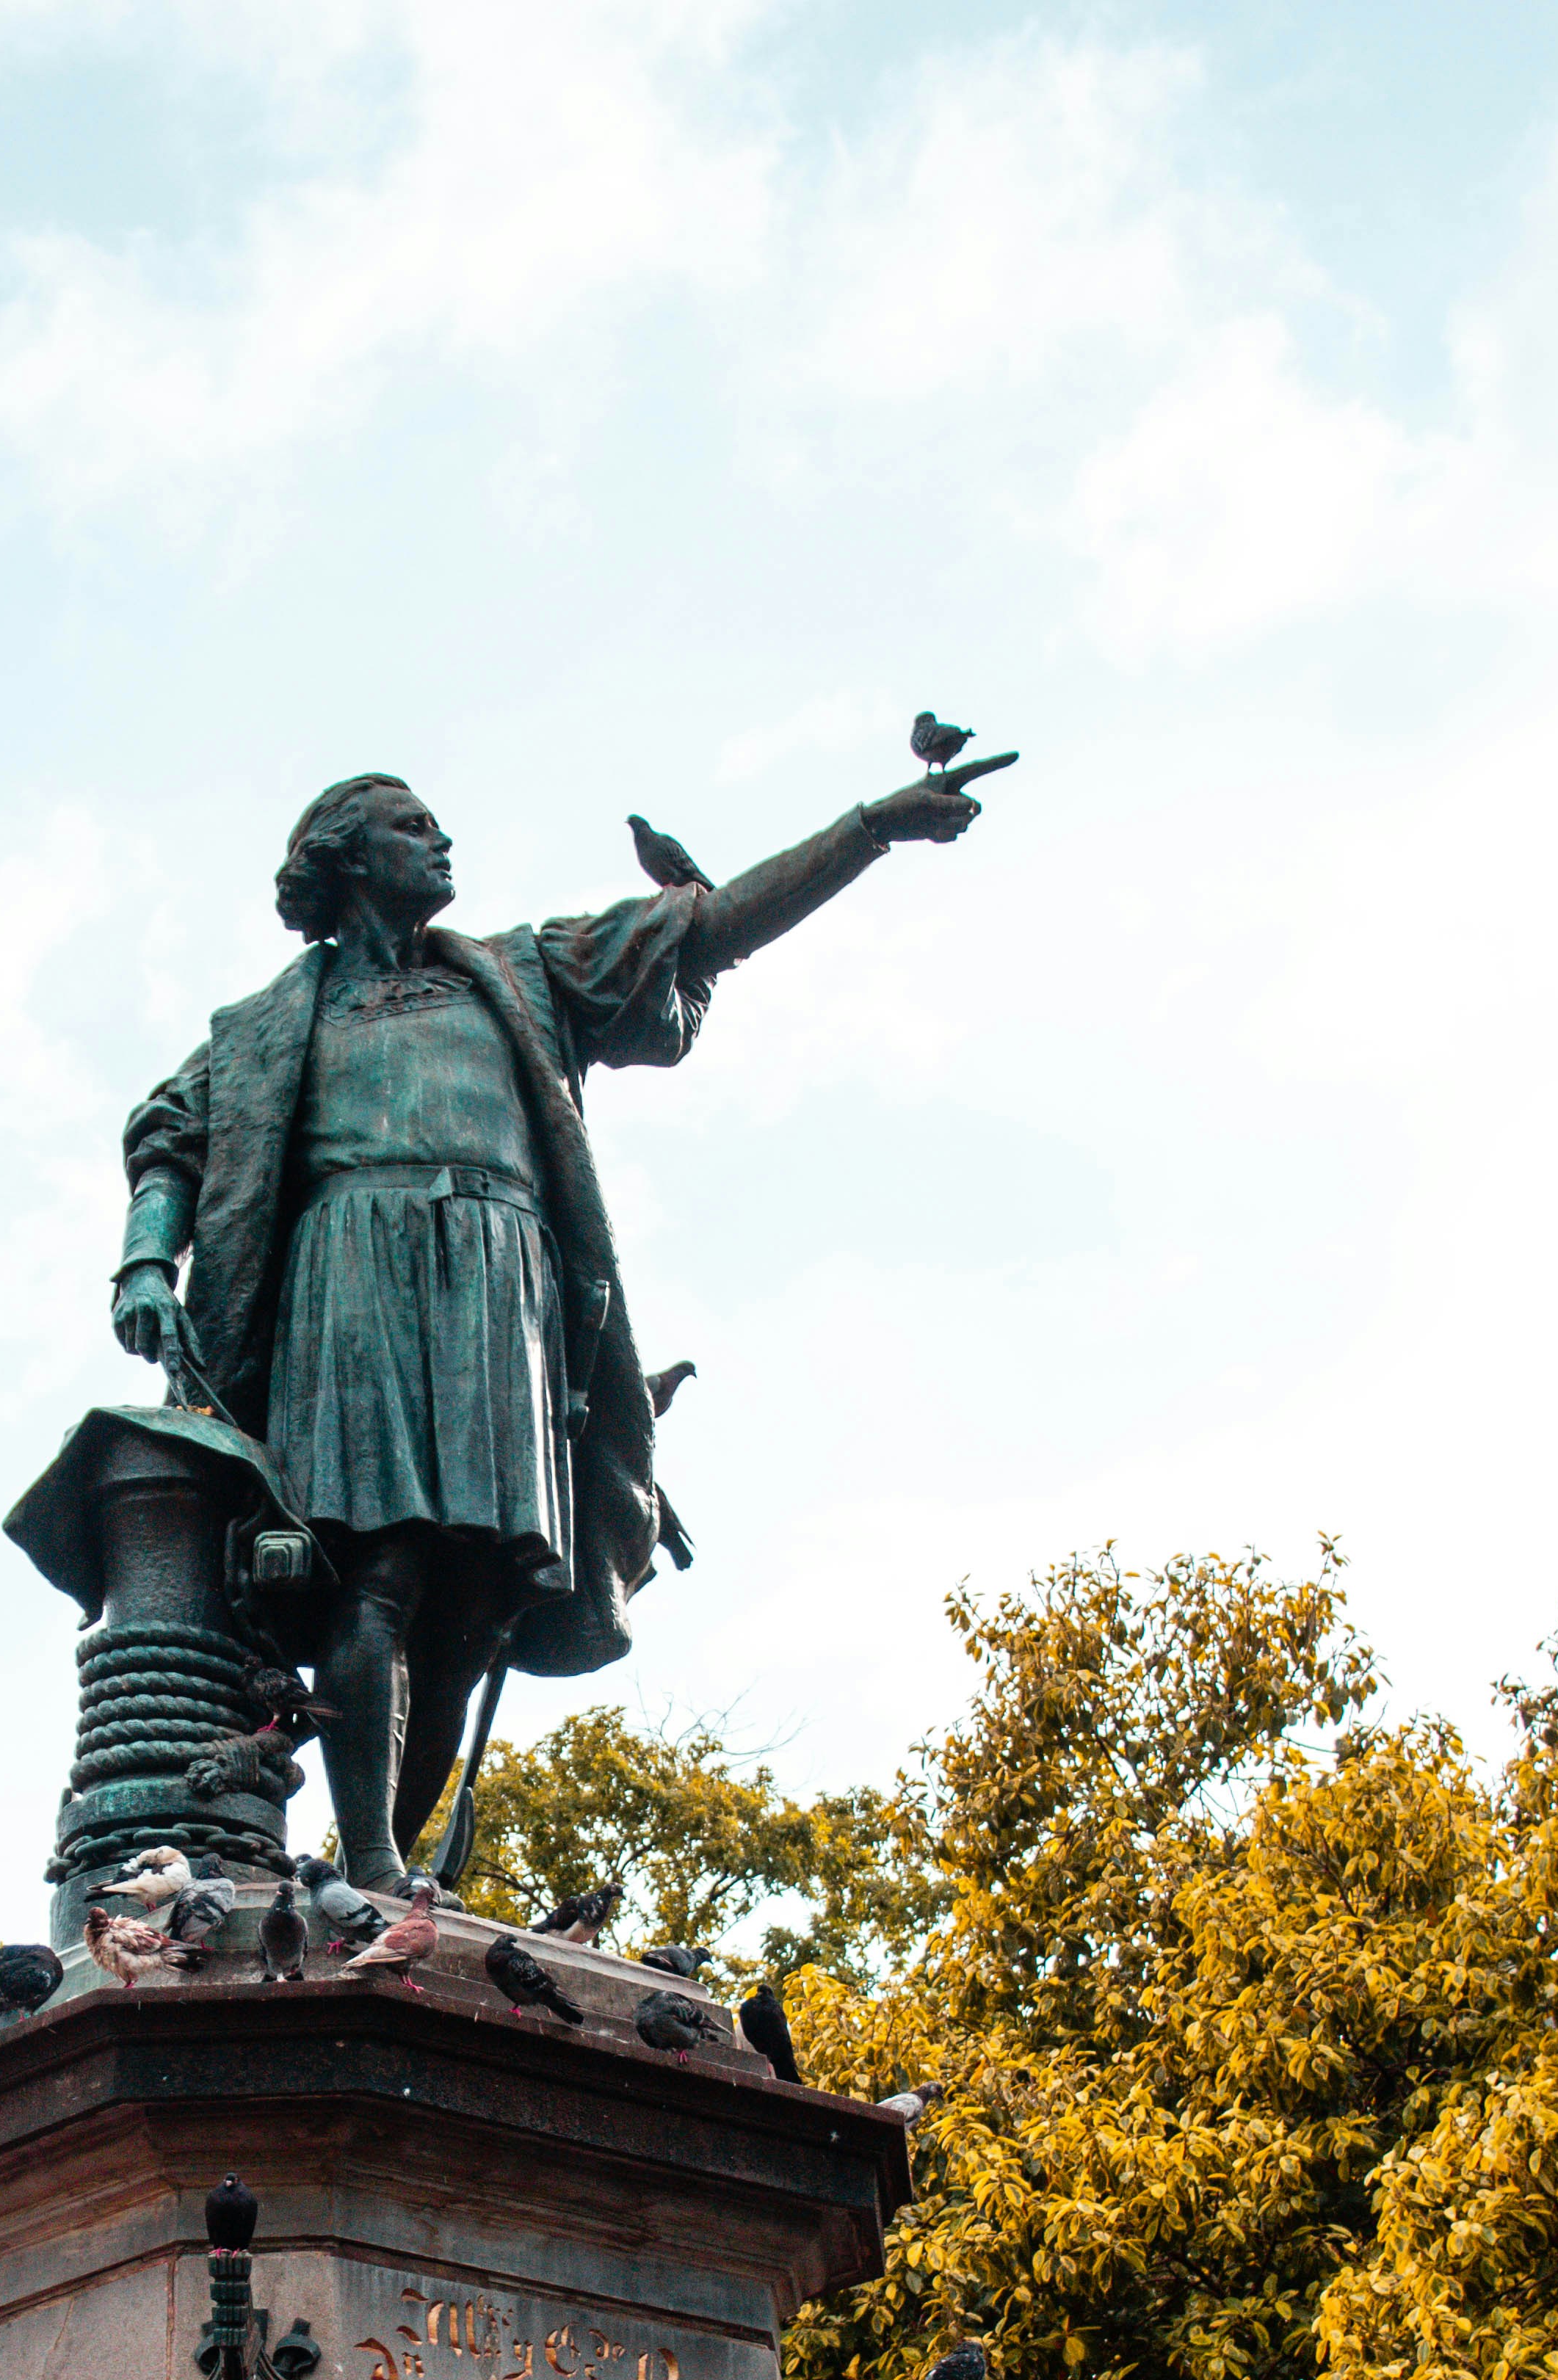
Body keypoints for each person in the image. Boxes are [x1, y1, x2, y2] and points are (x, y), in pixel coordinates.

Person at [114, 767, 985, 1883]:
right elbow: (170, 1136)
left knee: (481, 1601)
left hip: (502, 1281)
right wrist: (147, 1259)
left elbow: (707, 928)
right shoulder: (267, 1027)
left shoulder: (521, 973)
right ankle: (375, 1863)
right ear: (345, 857)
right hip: (352, 1275)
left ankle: (373, 1855)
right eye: (410, 828)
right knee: (380, 1567)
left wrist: (874, 829)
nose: (441, 841)